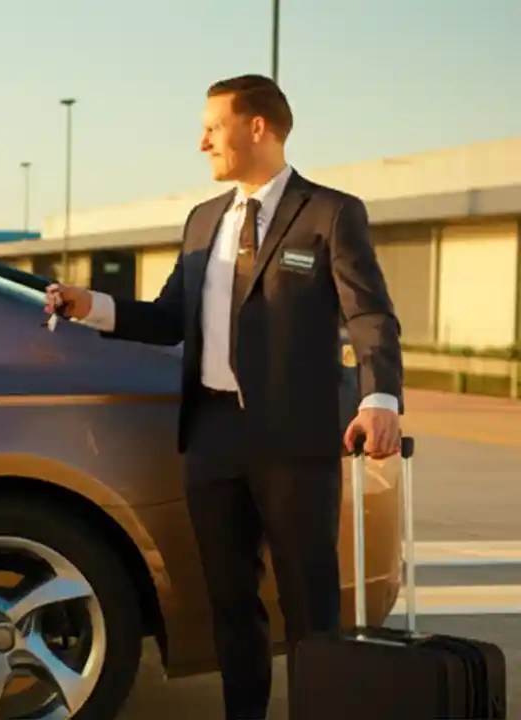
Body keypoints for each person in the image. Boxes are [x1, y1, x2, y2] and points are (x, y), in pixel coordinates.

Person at [46, 74, 403, 719]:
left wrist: (381, 400)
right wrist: (89, 306)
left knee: (308, 606)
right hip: (211, 437)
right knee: (231, 604)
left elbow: (371, 314)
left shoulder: (330, 212)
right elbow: (166, 318)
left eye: (213, 126)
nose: (201, 140)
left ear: (257, 128)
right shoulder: (203, 221)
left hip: (295, 442)